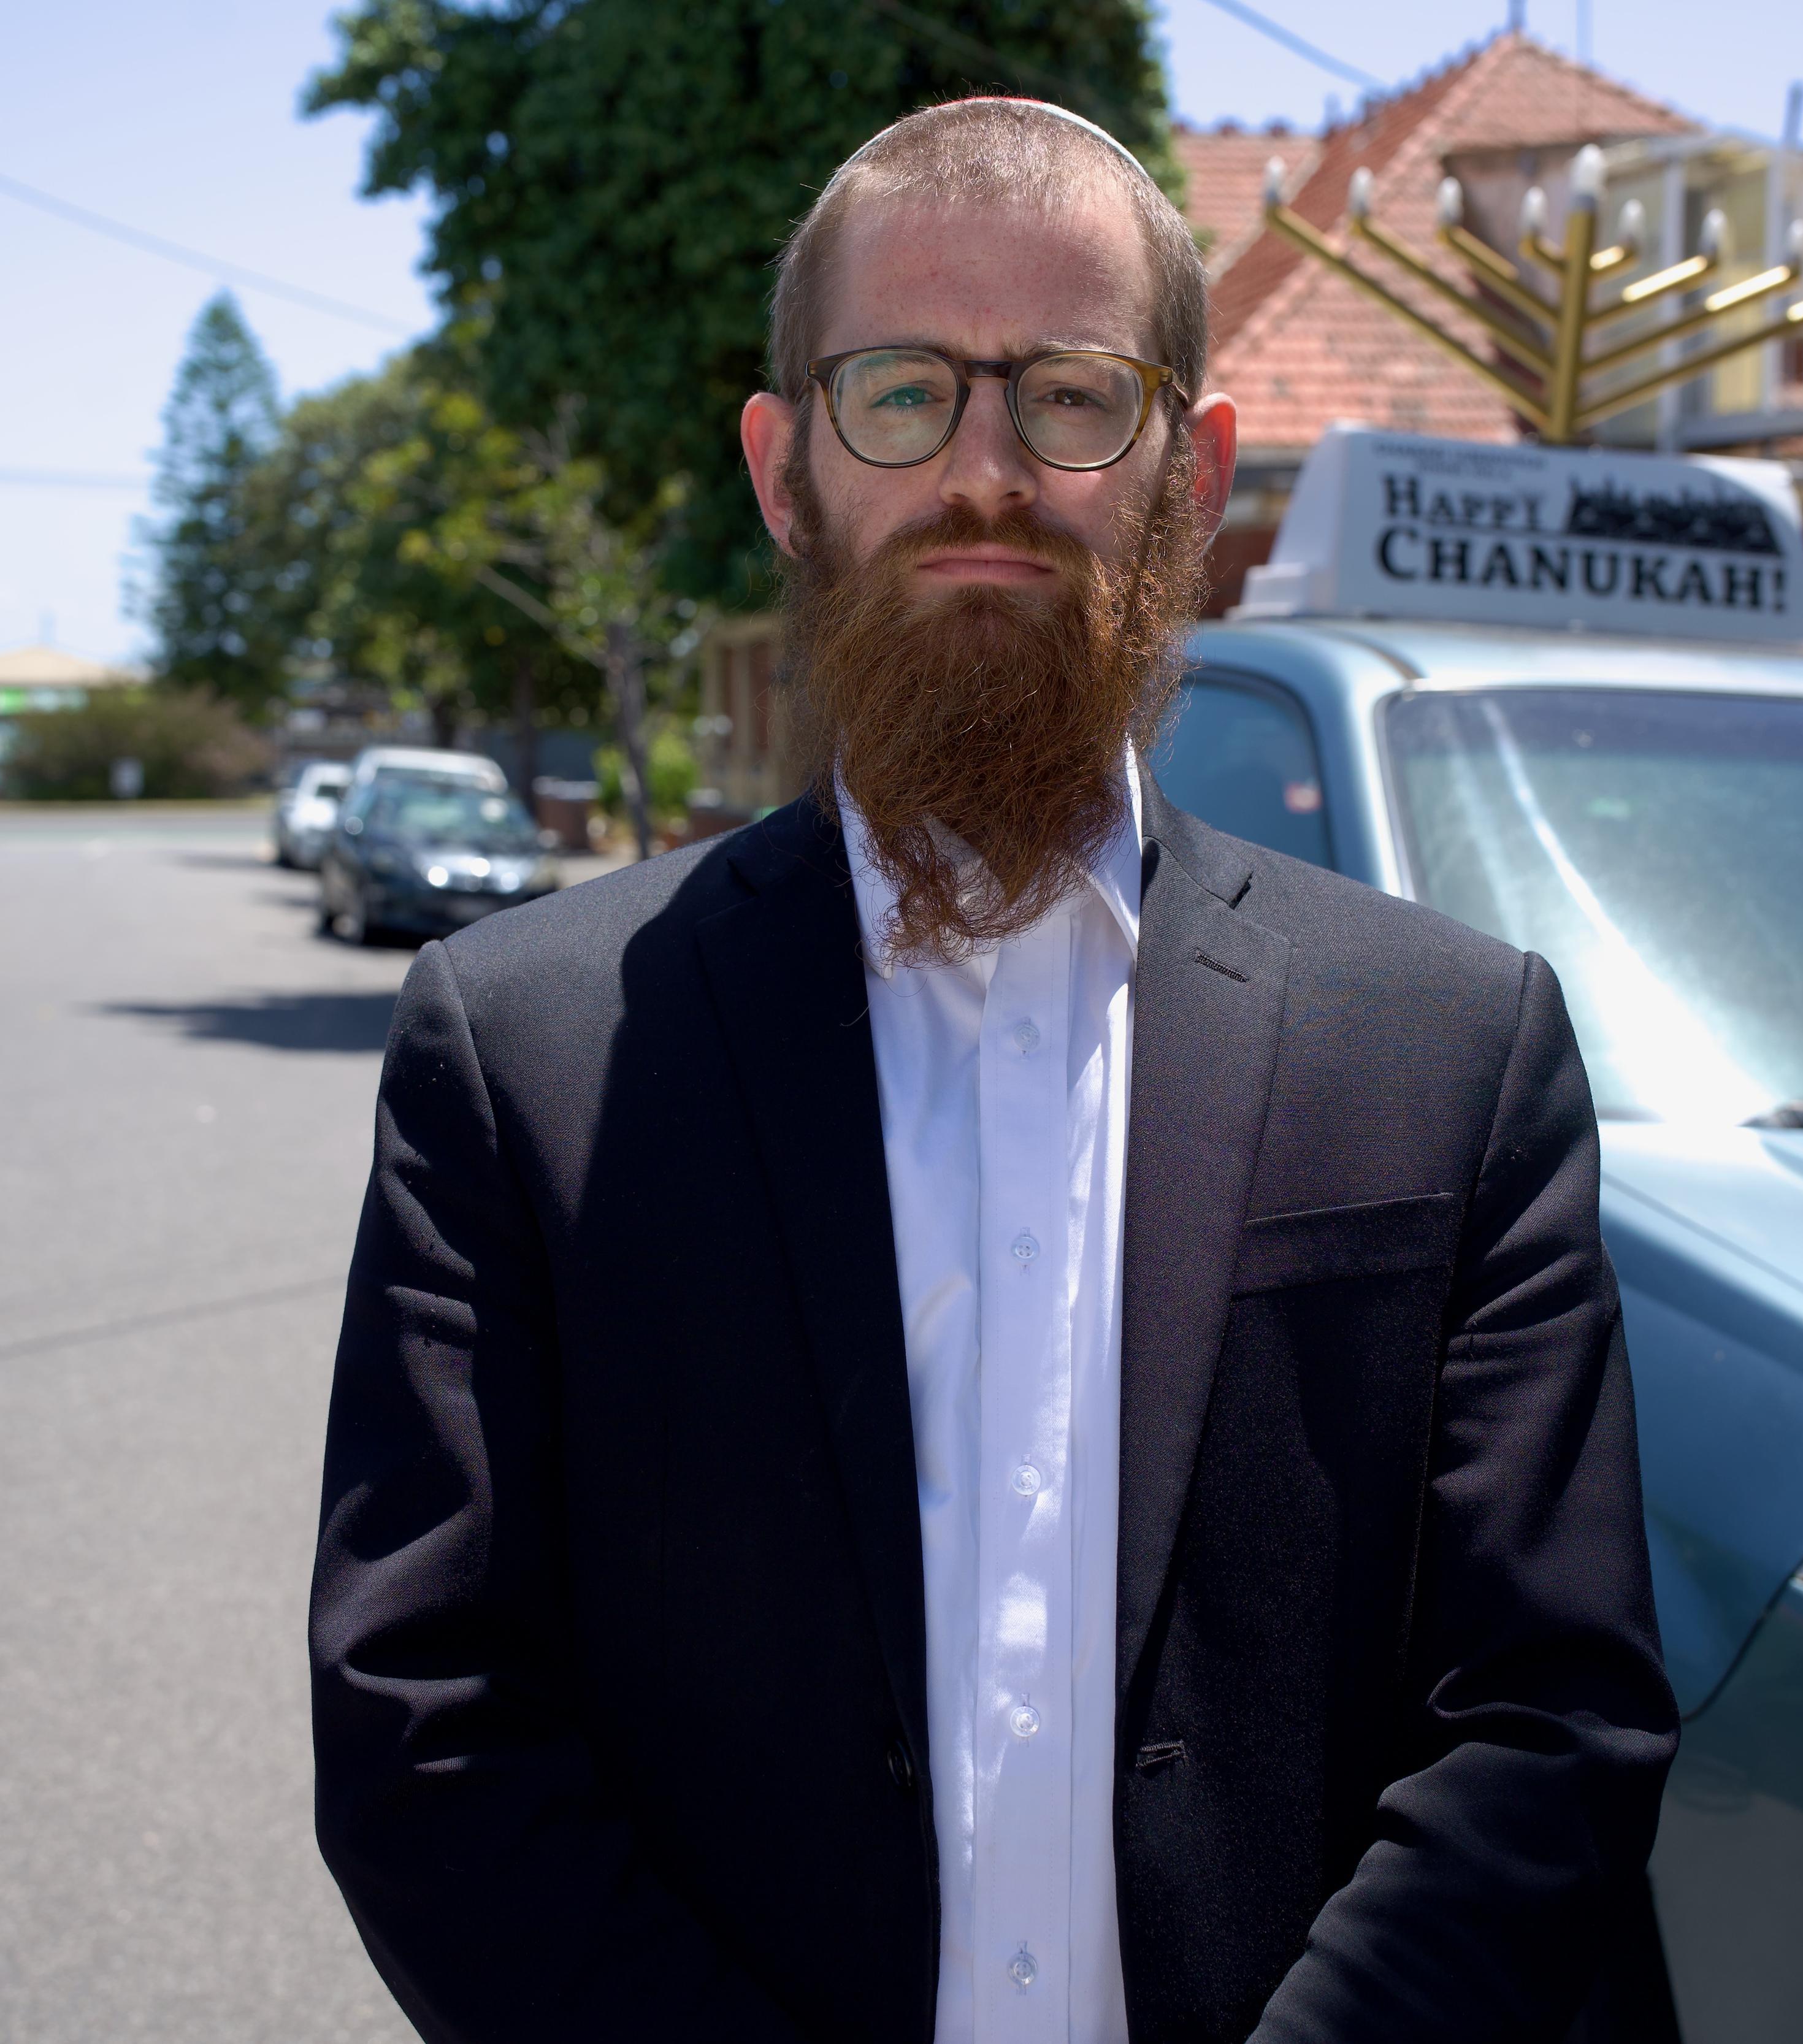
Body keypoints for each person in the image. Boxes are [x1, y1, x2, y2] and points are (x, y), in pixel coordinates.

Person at [309, 96, 1676, 2044]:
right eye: (901, 395)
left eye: (1071, 396)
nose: (986, 474)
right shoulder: (521, 1052)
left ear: (1191, 475)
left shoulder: (1453, 1051)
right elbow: (424, 1723)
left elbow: (1550, 1721)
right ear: (788, 472)